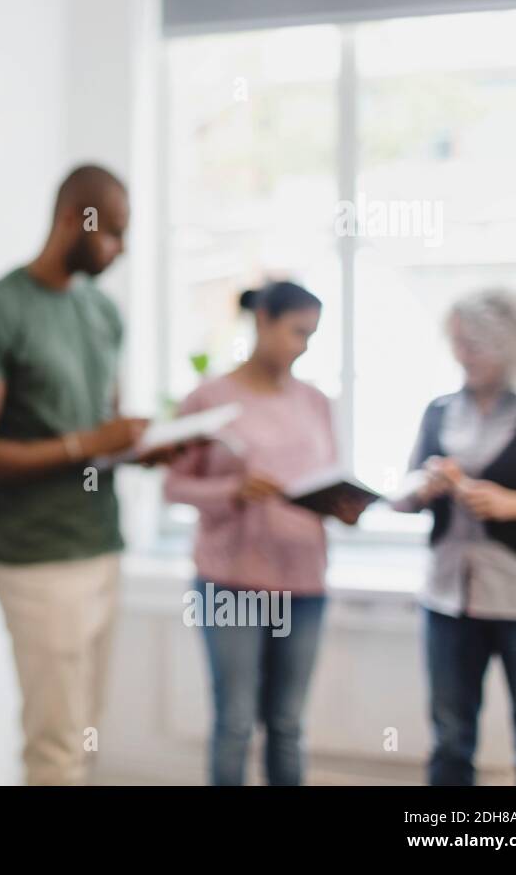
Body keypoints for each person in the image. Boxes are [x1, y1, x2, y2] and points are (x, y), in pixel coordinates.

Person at [0, 165, 183, 786]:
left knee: (85, 734)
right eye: (114, 232)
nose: (121, 248)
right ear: (75, 218)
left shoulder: (103, 313)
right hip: (36, 557)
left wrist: (143, 449)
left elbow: (100, 431)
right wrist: (88, 443)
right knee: (54, 747)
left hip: (101, 544)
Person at [164, 281, 369, 786]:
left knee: (287, 724)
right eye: (297, 331)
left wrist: (342, 507)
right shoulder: (208, 399)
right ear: (262, 322)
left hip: (303, 583)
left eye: (312, 335)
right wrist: (233, 490)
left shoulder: (317, 401)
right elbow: (173, 486)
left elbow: (325, 475)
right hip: (231, 582)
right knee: (234, 722)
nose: (302, 345)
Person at [391, 288, 516, 785]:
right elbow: (403, 492)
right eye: (456, 342)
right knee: (450, 744)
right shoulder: (439, 410)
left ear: (512, 345)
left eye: (474, 344)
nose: (462, 354)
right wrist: (425, 486)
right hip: (448, 601)